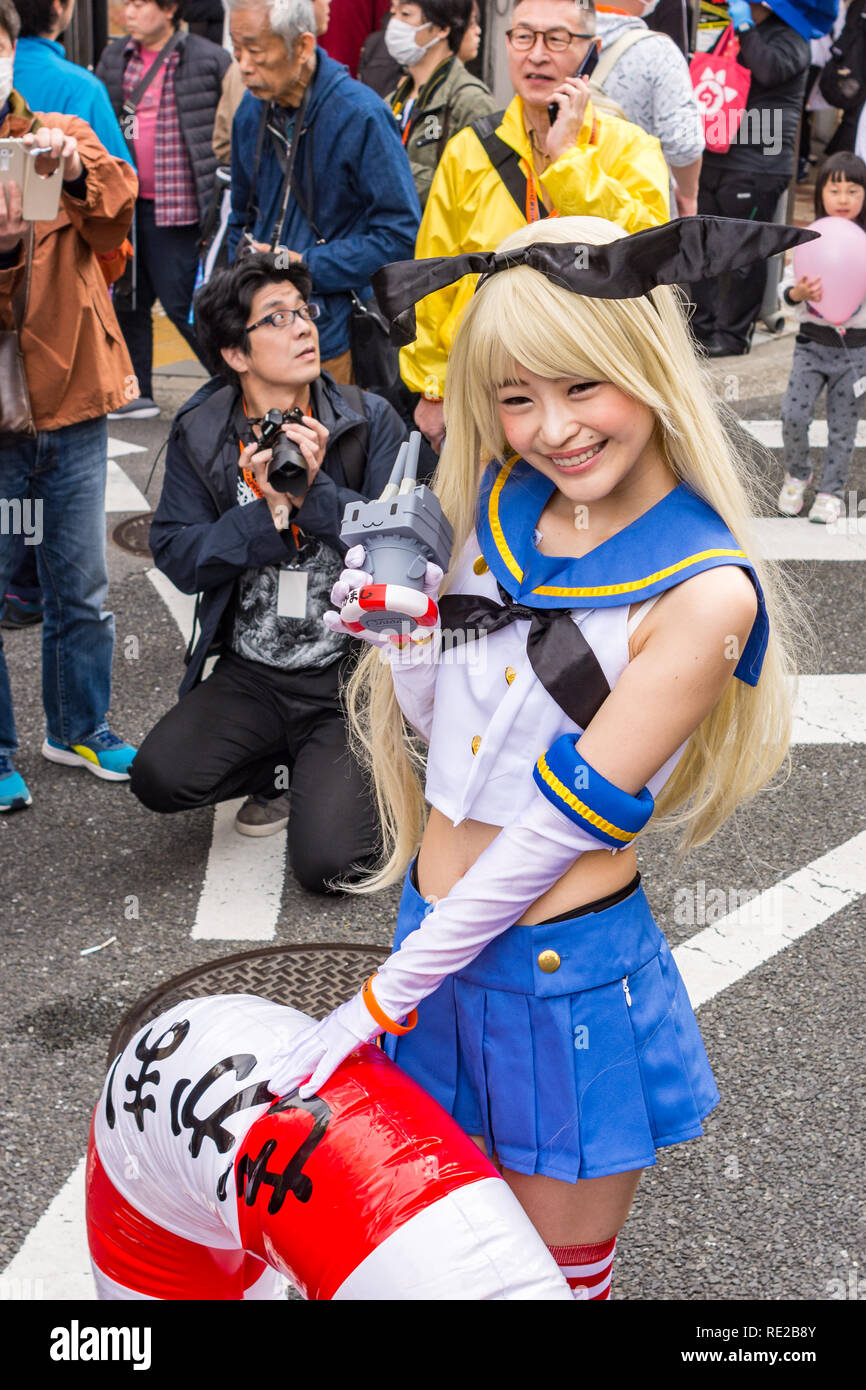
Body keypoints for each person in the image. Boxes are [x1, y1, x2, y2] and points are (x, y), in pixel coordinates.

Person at [261, 212, 805, 1298]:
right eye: (515, 396)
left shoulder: (702, 591)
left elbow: (546, 835)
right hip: (432, 940)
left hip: (555, 986)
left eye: (579, 387)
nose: (549, 428)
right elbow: (443, 737)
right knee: (426, 1274)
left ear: (644, 368)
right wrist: (399, 626)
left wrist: (375, 1004)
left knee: (547, 1288)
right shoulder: (506, 503)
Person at [130, 253, 408, 886]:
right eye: (277, 319)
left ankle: (370, 760)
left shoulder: (369, 419)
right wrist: (268, 516)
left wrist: (316, 496)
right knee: (159, 777)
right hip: (252, 671)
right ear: (236, 353)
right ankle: (280, 766)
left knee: (330, 864)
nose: (304, 328)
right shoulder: (203, 431)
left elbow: (400, 548)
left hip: (347, 677)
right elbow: (178, 554)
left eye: (304, 312)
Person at [402, 0, 671, 454]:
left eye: (557, 39)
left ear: (592, 51)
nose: (537, 54)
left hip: (591, 382)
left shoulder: (629, 148)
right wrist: (433, 386)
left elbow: (649, 258)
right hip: (486, 383)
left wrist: (569, 161)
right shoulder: (470, 151)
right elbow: (434, 276)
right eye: (523, 36)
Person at [0, 0, 139, 812]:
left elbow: (120, 204)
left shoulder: (54, 126)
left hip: (74, 403)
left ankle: (79, 725)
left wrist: (77, 170)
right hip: (4, 421)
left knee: (79, 583)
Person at [226, 0, 420, 384]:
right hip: (259, 335)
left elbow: (400, 236)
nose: (244, 65)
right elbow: (240, 218)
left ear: (301, 47)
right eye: (236, 50)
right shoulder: (250, 111)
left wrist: (305, 264)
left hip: (332, 337)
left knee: (329, 441)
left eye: (256, 50)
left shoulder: (360, 114)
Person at [96, 0, 231, 418]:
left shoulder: (208, 59)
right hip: (130, 204)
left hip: (184, 206)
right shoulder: (114, 57)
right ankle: (138, 391)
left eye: (139, 4)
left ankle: (231, 381)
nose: (128, 12)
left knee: (183, 302)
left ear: (170, 8)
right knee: (129, 298)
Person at [689, 0, 811, 357]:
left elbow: (769, 69)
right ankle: (701, 330)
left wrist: (745, 28)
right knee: (705, 246)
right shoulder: (730, 31)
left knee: (743, 253)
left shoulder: (792, 38)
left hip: (758, 163)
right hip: (715, 152)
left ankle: (732, 337)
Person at [777, 152, 866, 524]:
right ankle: (798, 473)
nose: (843, 198)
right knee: (793, 415)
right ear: (820, 193)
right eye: (835, 189)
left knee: (843, 427)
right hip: (811, 345)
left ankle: (831, 490)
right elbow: (785, 293)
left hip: (856, 351)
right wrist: (798, 294)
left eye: (853, 190)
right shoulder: (808, 238)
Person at [594, 0, 704, 217]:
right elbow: (683, 144)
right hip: (636, 217)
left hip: (557, 207)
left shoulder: (547, 37)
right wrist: (688, 195)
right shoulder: (658, 53)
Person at [386, 0, 496, 211]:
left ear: (443, 29)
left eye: (406, 14)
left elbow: (480, 193)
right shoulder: (390, 102)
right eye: (393, 14)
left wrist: (391, 171)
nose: (394, 23)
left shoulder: (470, 102)